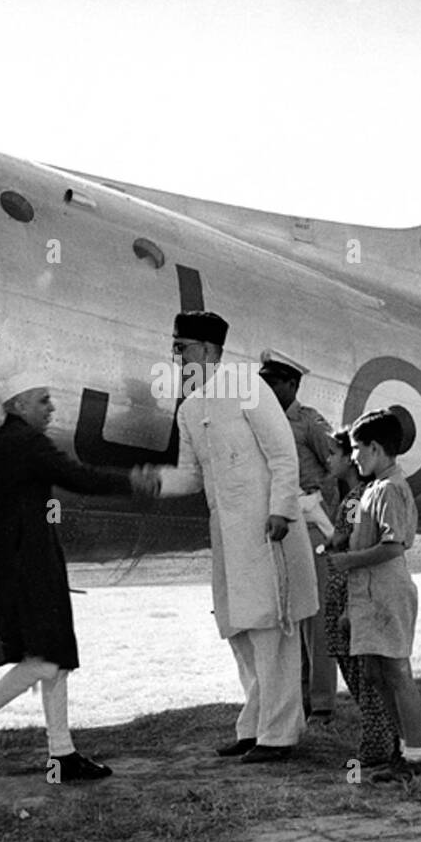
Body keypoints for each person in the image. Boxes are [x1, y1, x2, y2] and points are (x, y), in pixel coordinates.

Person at [0, 372, 157, 782]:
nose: (51, 408)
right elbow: (78, 477)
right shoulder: (26, 444)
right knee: (46, 659)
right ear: (20, 405)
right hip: (27, 564)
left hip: (19, 561)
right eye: (43, 401)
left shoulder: (0, 446)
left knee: (55, 656)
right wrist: (132, 481)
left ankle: (61, 756)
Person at [150, 310, 318, 763]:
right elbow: (191, 475)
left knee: (273, 629)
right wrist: (153, 482)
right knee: (239, 629)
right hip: (227, 536)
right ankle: (254, 726)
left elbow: (283, 455)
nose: (177, 357)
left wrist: (281, 511)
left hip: (268, 530)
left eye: (182, 349)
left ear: (207, 351)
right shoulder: (189, 408)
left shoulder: (246, 385)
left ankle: (279, 735)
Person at [326, 411, 421, 783]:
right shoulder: (375, 487)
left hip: (386, 593)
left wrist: (347, 560)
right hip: (369, 595)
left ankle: (416, 756)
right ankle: (405, 751)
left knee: (397, 673)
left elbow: (393, 546)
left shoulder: (388, 489)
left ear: (375, 448)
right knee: (375, 672)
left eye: (357, 449)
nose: (353, 457)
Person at [259, 348, 339, 721]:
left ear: (293, 383)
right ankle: (297, 698)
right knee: (288, 615)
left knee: (317, 616)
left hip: (309, 524)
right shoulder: (259, 419)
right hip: (278, 524)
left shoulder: (309, 422)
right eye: (264, 380)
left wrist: (331, 521)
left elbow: (338, 466)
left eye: (274, 381)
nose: (266, 386)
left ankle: (321, 702)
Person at [322, 429, 398, 768]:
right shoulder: (364, 494)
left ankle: (377, 744)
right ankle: (387, 739)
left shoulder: (355, 499)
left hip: (348, 593)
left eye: (333, 454)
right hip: (356, 591)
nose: (329, 461)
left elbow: (346, 541)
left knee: (362, 675)